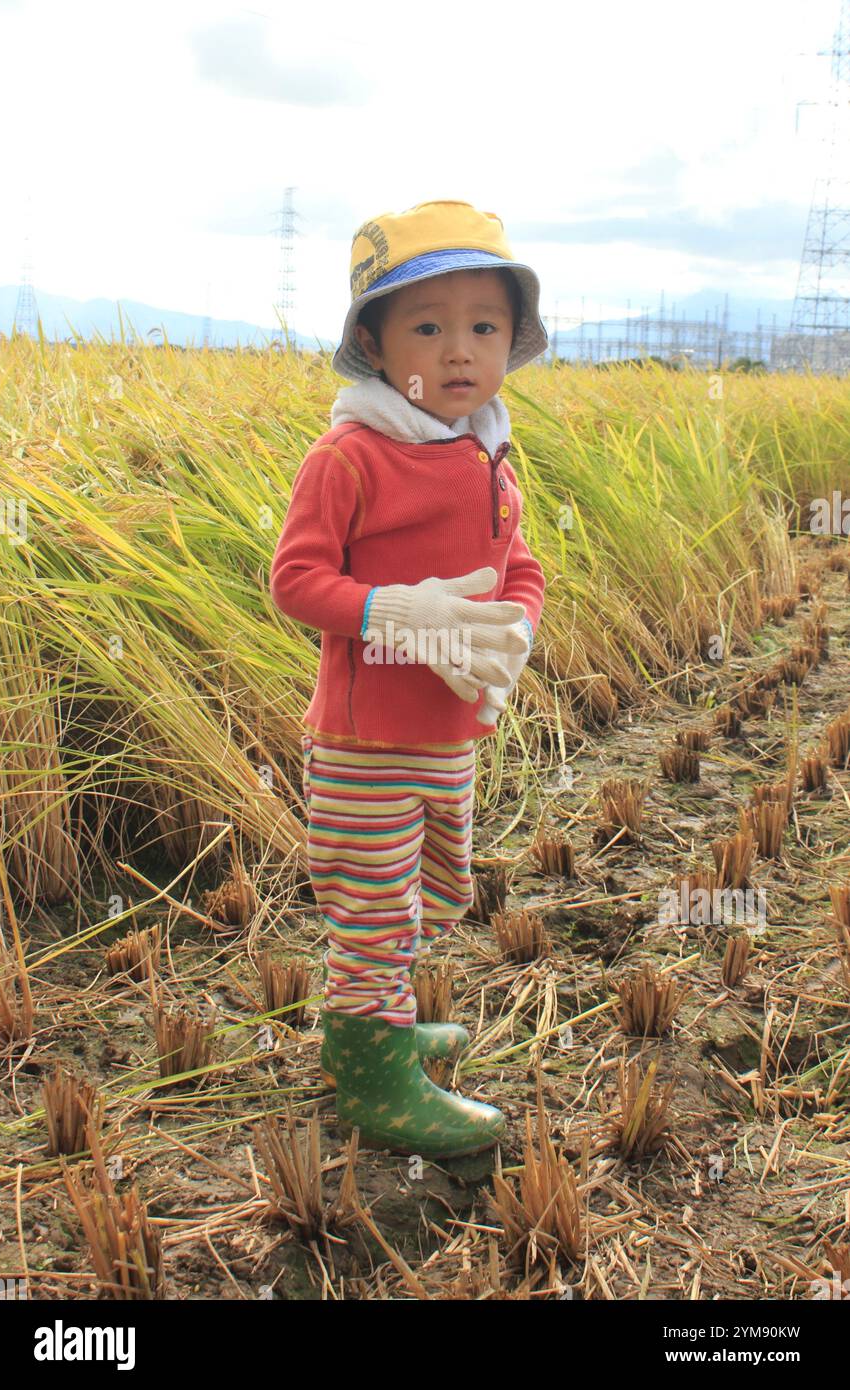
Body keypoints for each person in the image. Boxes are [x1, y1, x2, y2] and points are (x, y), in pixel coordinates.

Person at [269, 199, 548, 1158]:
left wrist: (512, 627)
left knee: (432, 892)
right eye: (427, 327)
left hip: (447, 733)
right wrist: (392, 614)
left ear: (514, 341)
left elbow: (522, 567)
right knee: (375, 909)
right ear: (376, 348)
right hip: (364, 740)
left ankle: (373, 1027)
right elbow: (296, 580)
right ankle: (373, 1076)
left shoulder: (485, 453)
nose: (459, 350)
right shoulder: (349, 455)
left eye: (484, 326)